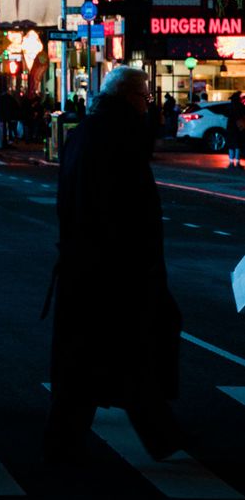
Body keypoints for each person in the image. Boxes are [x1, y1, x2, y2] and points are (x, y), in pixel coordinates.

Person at [44, 66, 185, 464]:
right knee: (119, 356)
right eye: (146, 98)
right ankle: (157, 435)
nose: (149, 106)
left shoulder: (88, 132)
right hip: (113, 269)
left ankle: (67, 443)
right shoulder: (117, 137)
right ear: (131, 97)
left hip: (87, 265)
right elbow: (121, 210)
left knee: (91, 360)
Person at [225, 91, 245, 168]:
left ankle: (231, 163)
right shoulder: (241, 106)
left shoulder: (230, 106)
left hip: (231, 127)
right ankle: (237, 162)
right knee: (238, 145)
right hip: (239, 128)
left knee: (231, 145)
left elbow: (226, 114)